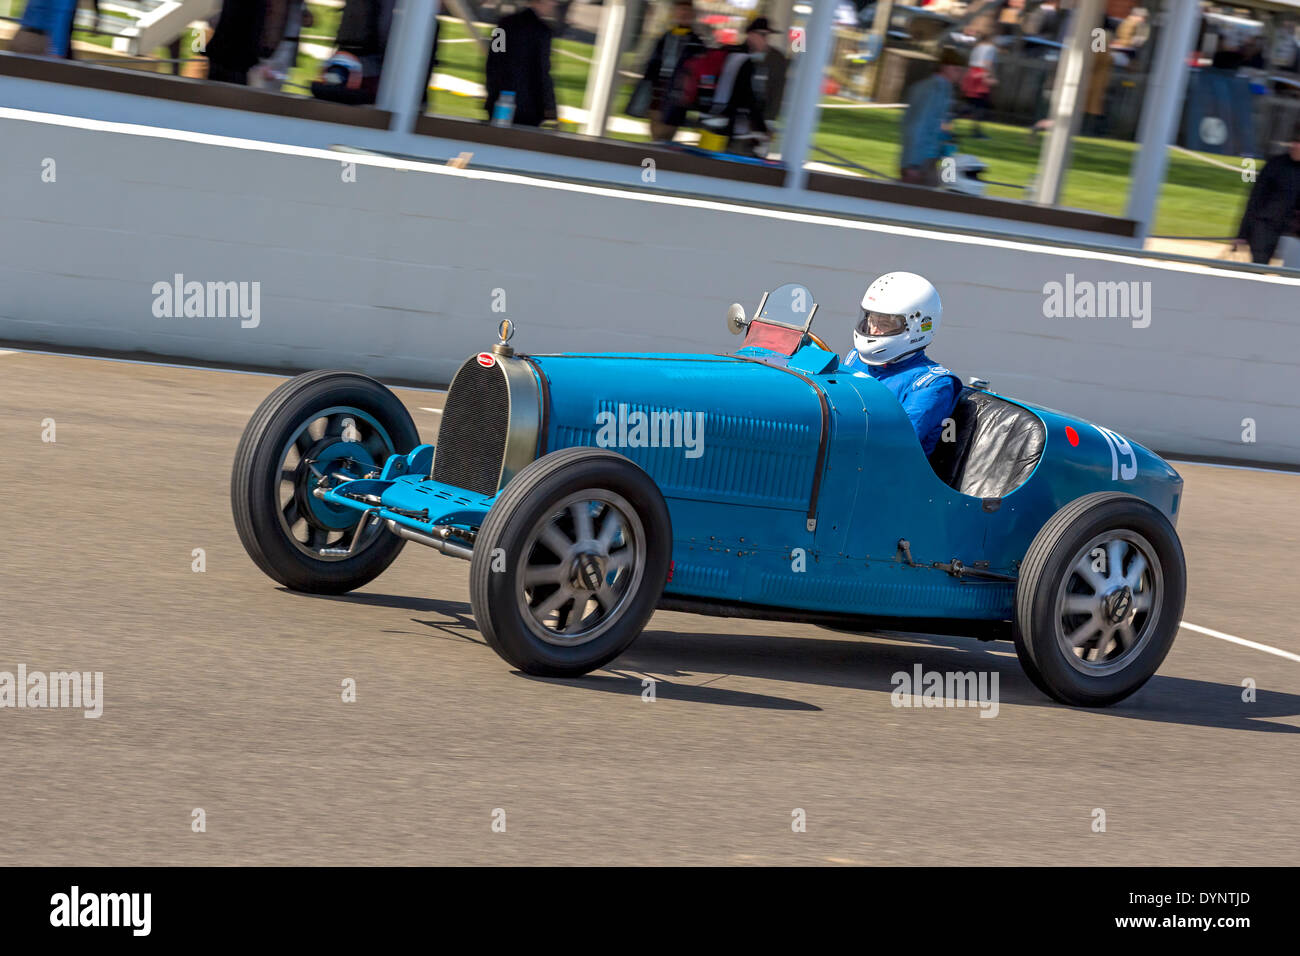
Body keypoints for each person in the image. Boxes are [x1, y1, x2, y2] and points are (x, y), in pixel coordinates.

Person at [841, 272, 961, 456]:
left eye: (884, 324)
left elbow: (894, 444)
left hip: (884, 468)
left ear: (917, 327)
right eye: (872, 320)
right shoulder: (855, 358)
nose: (874, 330)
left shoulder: (932, 383)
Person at [702, 17, 774, 155]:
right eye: (763, 35)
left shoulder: (732, 54)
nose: (766, 41)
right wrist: (762, 129)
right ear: (751, 34)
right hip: (730, 129)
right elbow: (747, 97)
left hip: (714, 120)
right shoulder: (745, 61)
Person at [636, 0, 705, 142]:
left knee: (667, 131)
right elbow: (653, 65)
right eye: (680, 11)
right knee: (656, 128)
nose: (683, 14)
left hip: (678, 93)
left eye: (687, 12)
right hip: (659, 90)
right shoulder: (664, 38)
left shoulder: (696, 42)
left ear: (692, 15)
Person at [484, 0, 558, 127]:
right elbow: (542, 72)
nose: (554, 4)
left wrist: (493, 92)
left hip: (500, 101)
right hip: (528, 108)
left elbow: (493, 61)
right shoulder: (542, 31)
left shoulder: (503, 24)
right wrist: (550, 107)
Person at [899, 47, 964, 186]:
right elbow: (917, 126)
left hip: (933, 158)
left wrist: (948, 162)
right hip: (921, 160)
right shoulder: (932, 89)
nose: (960, 74)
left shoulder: (946, 90)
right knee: (920, 195)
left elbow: (943, 128)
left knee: (939, 190)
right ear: (945, 67)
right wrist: (913, 164)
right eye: (956, 69)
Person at [1234, 133, 1300, 264]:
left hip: (1292, 230)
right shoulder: (1275, 165)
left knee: (1291, 269)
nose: (1294, 146)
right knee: (1259, 264)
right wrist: (1242, 234)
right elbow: (1255, 199)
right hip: (1266, 225)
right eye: (1294, 142)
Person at [961, 29, 997, 139]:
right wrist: (991, 77)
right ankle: (976, 131)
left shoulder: (976, 47)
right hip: (981, 75)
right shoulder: (990, 48)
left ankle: (952, 117)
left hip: (971, 74)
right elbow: (987, 64)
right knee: (979, 105)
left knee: (972, 103)